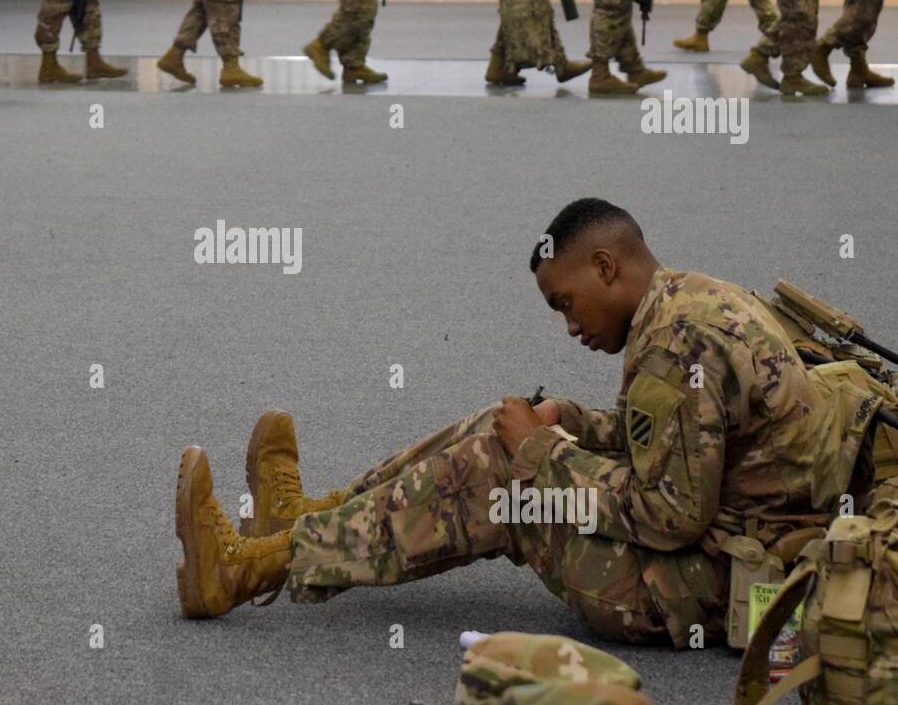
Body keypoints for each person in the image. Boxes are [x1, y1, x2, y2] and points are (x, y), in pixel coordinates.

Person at [173, 198, 894, 651]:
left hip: (706, 583)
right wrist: (567, 422)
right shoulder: (692, 300)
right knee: (506, 424)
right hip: (730, 531)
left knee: (504, 475)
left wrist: (543, 453)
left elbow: (671, 514)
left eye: (566, 301)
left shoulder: (677, 346)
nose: (567, 324)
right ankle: (306, 520)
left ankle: (245, 570)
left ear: (606, 265)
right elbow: (682, 444)